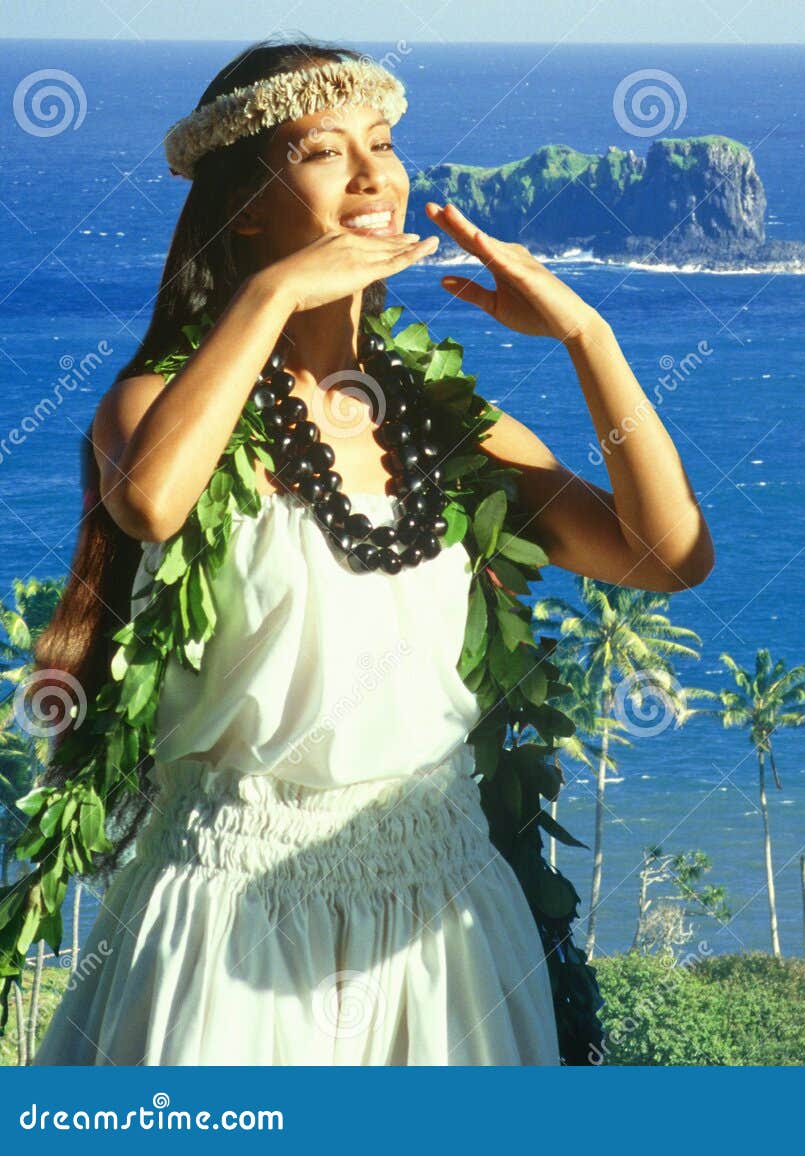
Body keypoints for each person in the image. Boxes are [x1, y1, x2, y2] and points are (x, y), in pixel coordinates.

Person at [26, 36, 713, 1065]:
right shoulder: (150, 408)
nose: (370, 173)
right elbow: (156, 503)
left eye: (382, 143)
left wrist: (586, 338)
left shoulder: (447, 425)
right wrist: (271, 297)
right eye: (319, 150)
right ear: (244, 202)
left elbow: (667, 554)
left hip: (445, 906)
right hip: (230, 914)